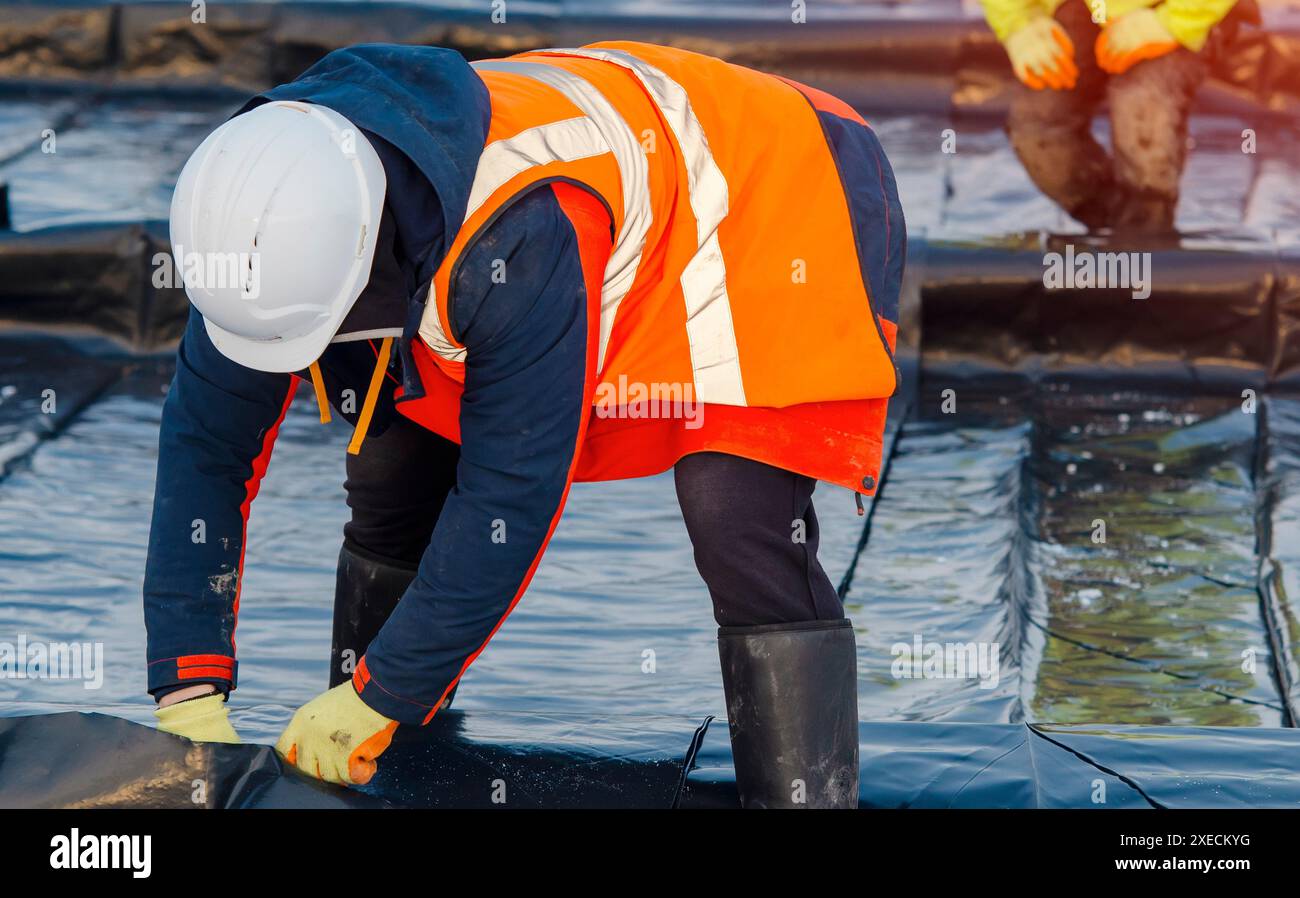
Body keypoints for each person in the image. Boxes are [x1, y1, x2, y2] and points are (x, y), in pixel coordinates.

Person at [145, 41, 904, 809]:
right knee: (394, 466)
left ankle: (804, 798)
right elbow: (205, 450)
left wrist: (383, 692)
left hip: (770, 184)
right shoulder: (252, 226)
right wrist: (187, 688)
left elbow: (510, 493)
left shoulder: (516, 232)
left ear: (364, 256)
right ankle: (380, 772)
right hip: (587, 192)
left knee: (733, 511)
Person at [982, 0, 1241, 230]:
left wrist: (1171, 23)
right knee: (1038, 131)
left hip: (1177, 8)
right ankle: (1113, 225)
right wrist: (1020, 24)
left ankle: (1144, 234)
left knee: (1143, 110)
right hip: (1084, 8)